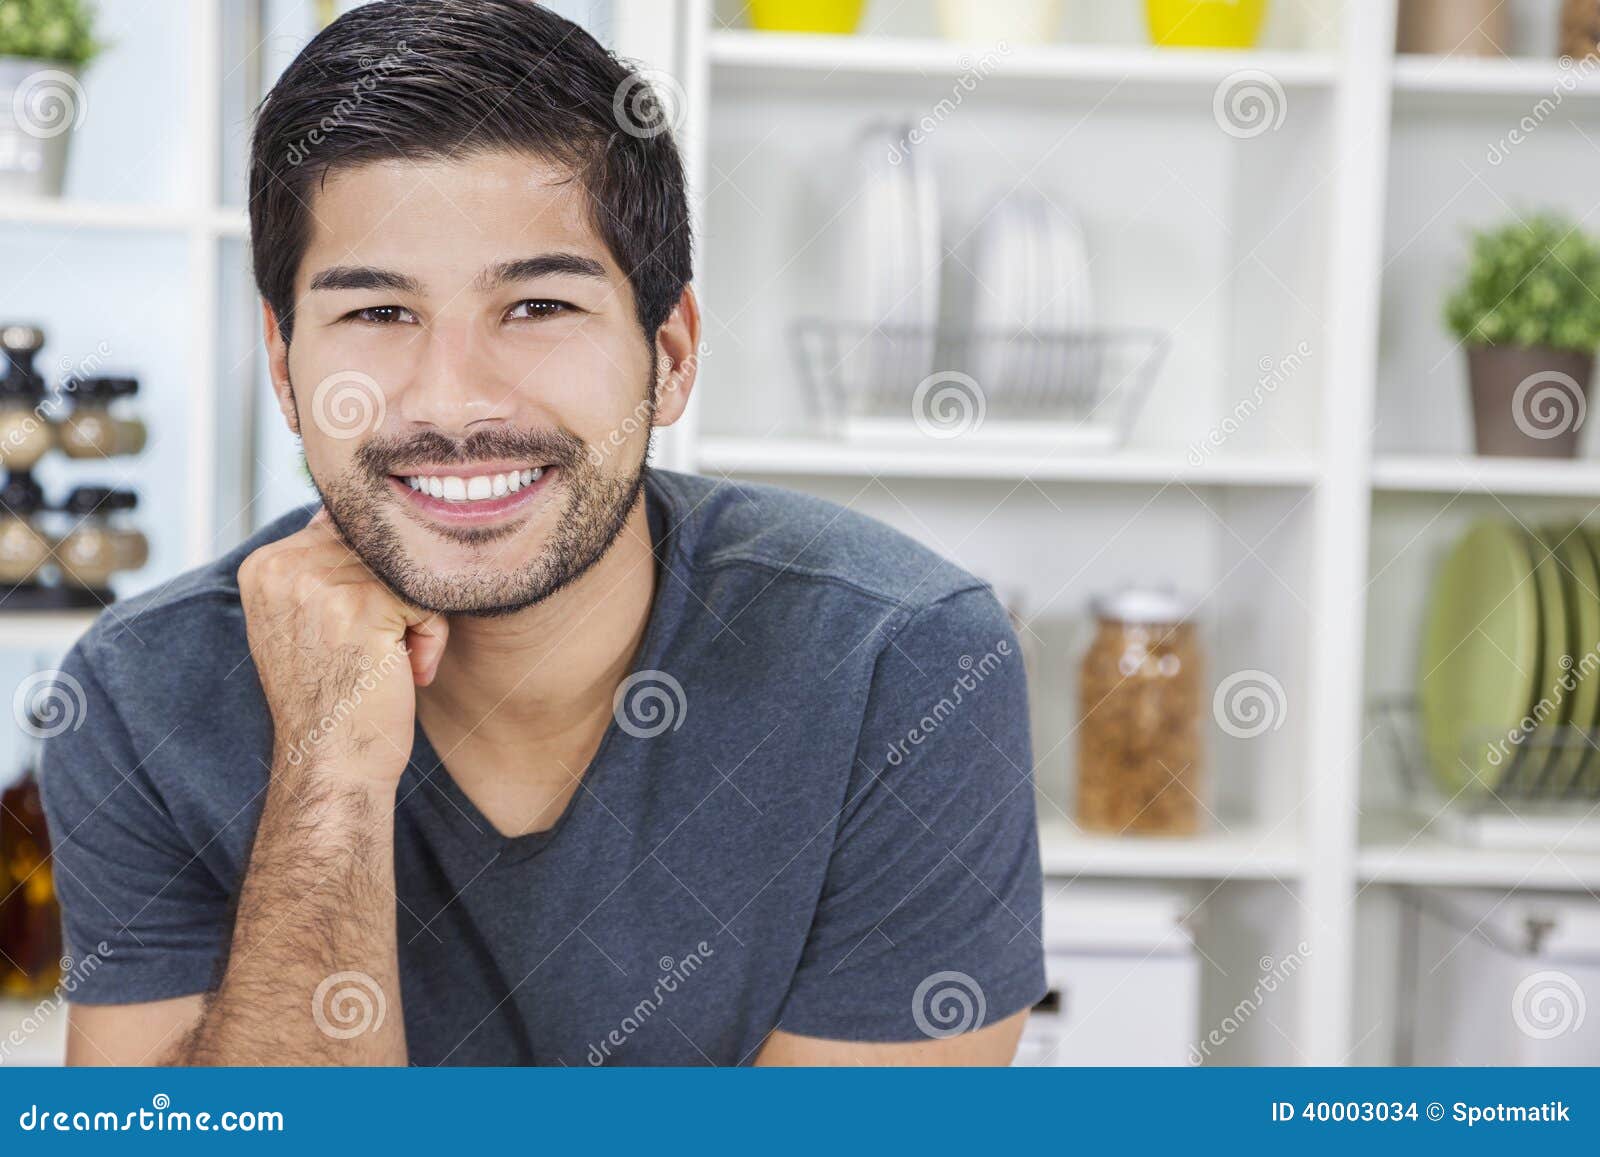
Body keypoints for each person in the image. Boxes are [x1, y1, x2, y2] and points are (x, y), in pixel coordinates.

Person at [40, 0, 1044, 1067]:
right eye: (378, 314)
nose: (456, 401)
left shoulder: (899, 661)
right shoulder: (140, 693)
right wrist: (328, 774)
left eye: (537, 307)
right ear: (285, 367)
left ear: (671, 349)